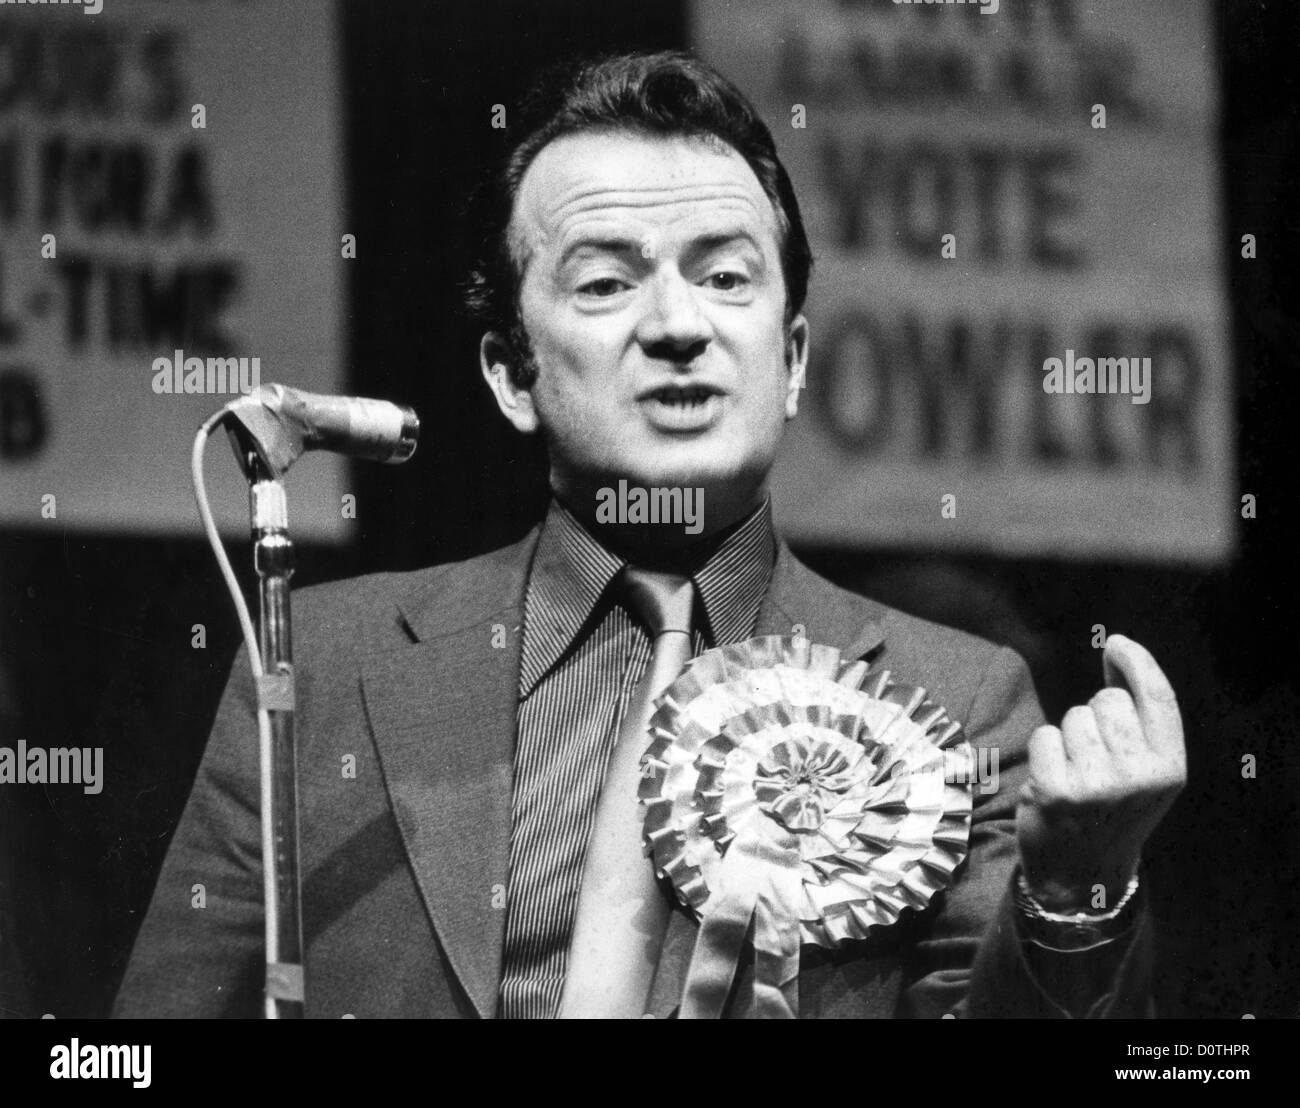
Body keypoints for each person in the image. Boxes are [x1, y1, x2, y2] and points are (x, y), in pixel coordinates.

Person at [113, 50, 1185, 1019]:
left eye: (725, 277)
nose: (677, 326)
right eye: (607, 282)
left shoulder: (956, 702)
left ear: (796, 357)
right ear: (510, 373)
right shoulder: (323, 666)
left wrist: (1071, 890)